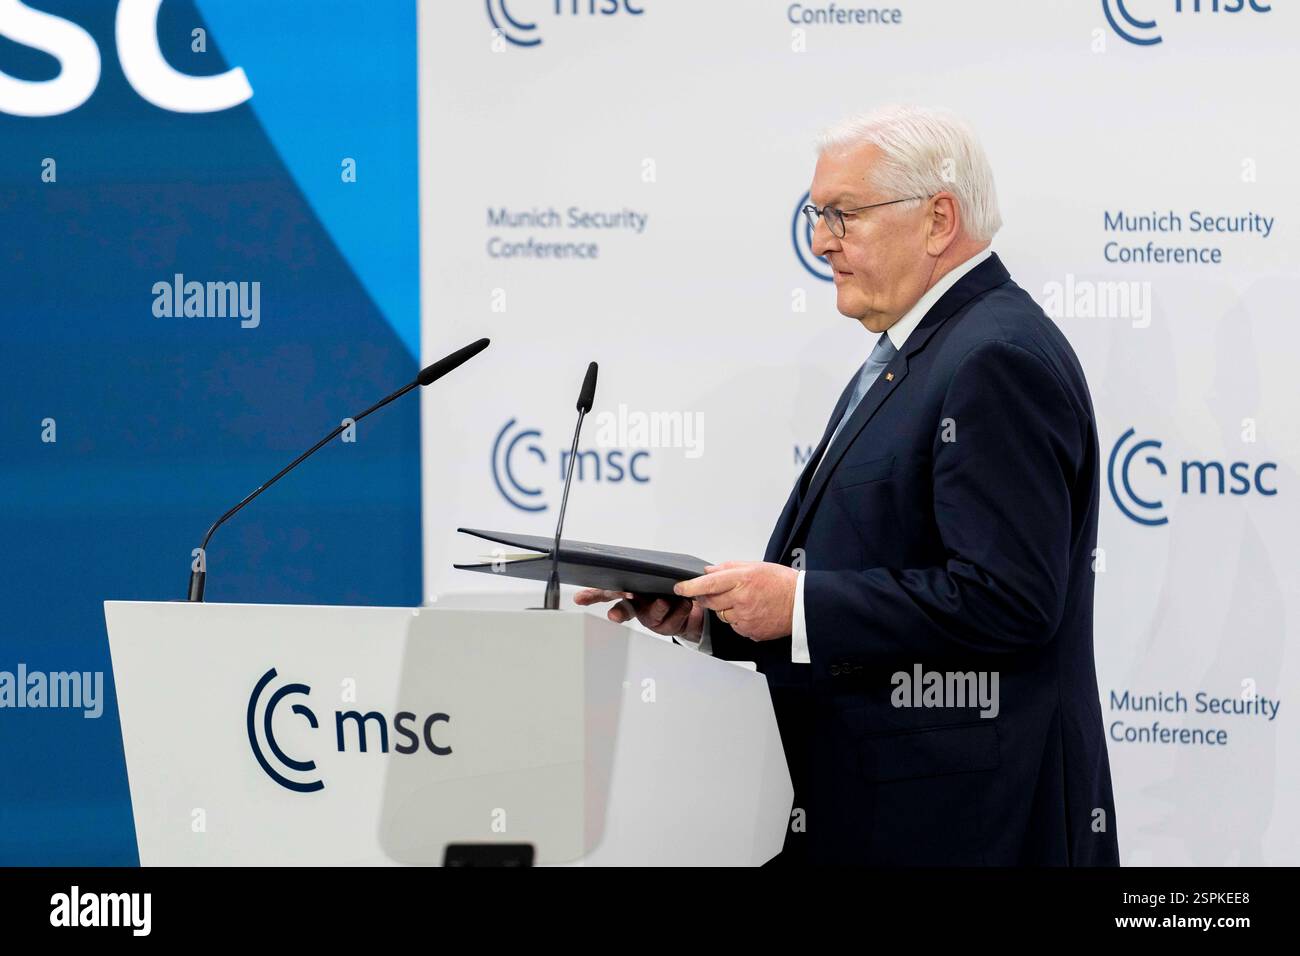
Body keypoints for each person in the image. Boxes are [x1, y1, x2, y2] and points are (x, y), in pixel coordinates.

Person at [577, 105, 1119, 866]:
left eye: (844, 213)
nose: (821, 239)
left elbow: (1009, 600)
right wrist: (715, 617)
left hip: (966, 827)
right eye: (816, 213)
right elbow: (882, 567)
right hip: (885, 812)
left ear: (938, 219)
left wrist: (795, 603)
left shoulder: (995, 358)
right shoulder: (923, 347)